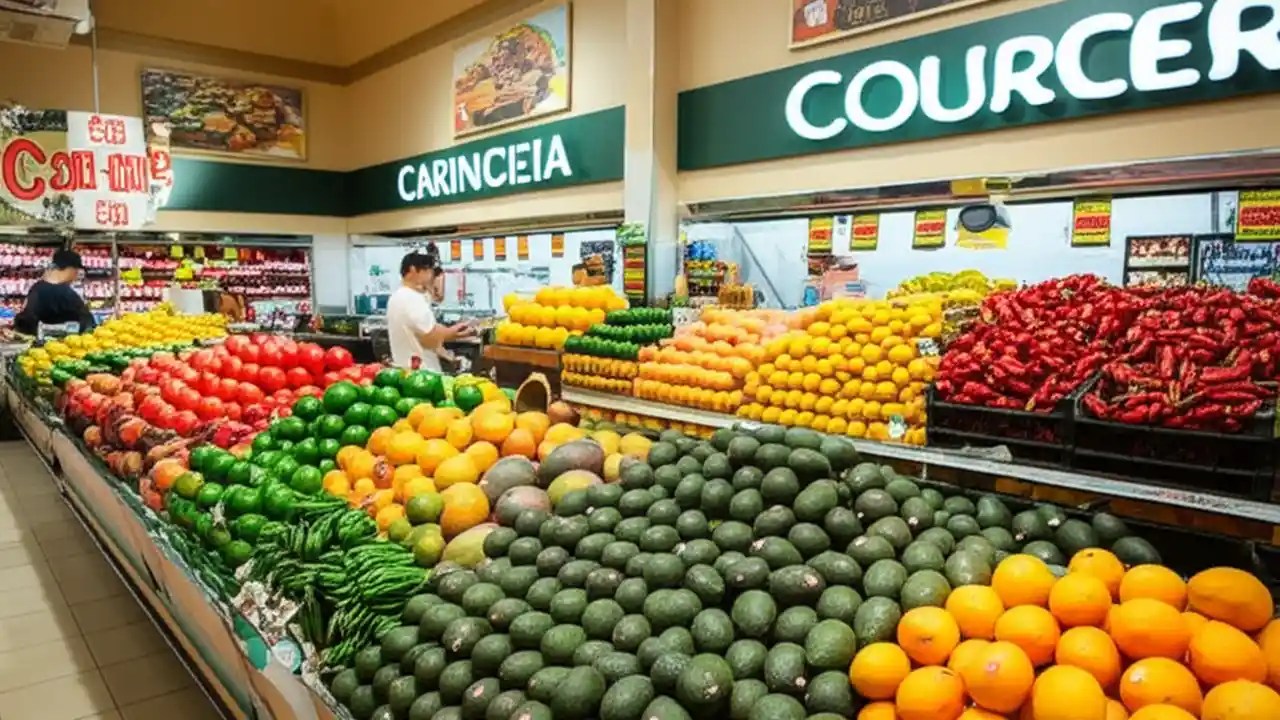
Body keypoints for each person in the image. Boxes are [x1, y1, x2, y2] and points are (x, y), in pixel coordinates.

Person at [386, 250, 472, 371]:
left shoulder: (398, 296)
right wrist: (455, 332)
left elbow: (423, 338)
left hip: (407, 370)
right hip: (424, 374)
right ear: (413, 270)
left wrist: (448, 356)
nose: (432, 275)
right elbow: (431, 335)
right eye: (428, 270)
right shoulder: (411, 299)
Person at [14, 248, 95, 336]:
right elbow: (88, 325)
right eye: (76, 272)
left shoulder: (37, 288)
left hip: (40, 344)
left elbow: (26, 319)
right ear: (70, 269)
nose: (75, 277)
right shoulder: (66, 294)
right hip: (65, 345)